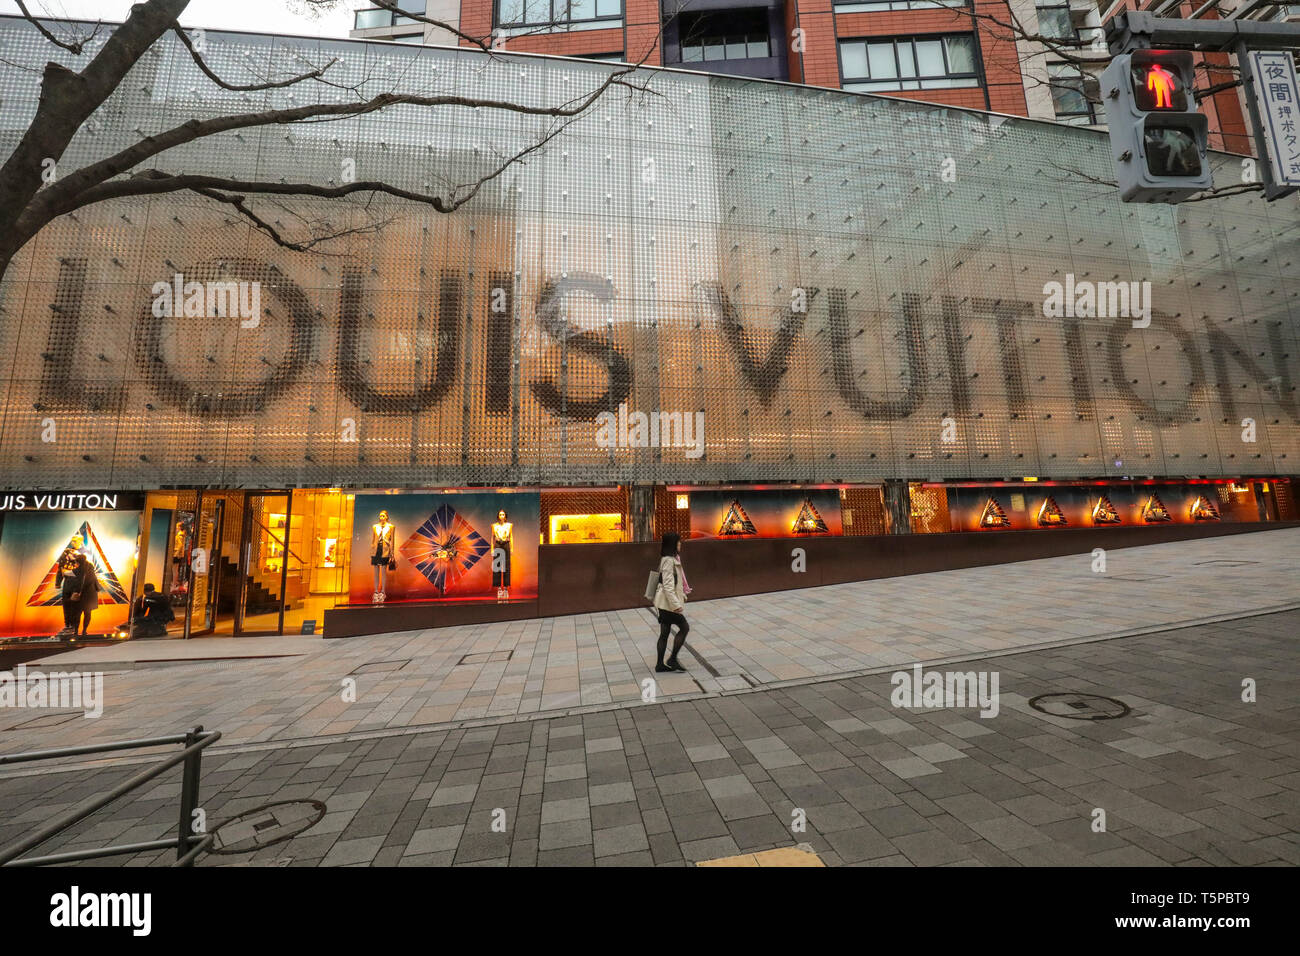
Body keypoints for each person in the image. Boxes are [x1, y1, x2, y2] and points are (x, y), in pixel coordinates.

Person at [652, 532, 691, 673]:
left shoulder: (669, 559)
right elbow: (668, 586)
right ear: (673, 544)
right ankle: (672, 659)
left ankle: (659, 665)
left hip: (663, 603)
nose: (680, 544)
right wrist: (676, 605)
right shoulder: (669, 560)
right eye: (679, 542)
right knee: (684, 627)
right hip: (667, 604)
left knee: (665, 632)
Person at [69, 551, 100, 636]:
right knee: (88, 613)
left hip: (79, 595)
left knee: (77, 614)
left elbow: (73, 584)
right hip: (91, 595)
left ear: (78, 561)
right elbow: (94, 581)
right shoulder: (91, 568)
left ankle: (75, 631)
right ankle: (84, 631)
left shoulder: (75, 571)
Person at [371, 510, 396, 603]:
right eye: (380, 516)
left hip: (385, 550)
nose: (381, 517)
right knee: (376, 572)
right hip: (376, 550)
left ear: (387, 517)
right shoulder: (375, 527)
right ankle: (376, 592)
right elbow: (373, 539)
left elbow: (392, 540)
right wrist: (372, 550)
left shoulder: (391, 527)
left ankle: (383, 592)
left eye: (383, 516)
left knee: (383, 572)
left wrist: (392, 553)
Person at [492, 509, 513, 602]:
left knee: (506, 566)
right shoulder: (494, 526)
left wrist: (512, 548)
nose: (501, 516)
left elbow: (511, 536)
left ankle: (505, 588)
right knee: (497, 566)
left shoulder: (509, 525)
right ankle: (499, 589)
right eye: (500, 514)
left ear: (505, 516)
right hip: (497, 544)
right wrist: (492, 548)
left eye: (503, 514)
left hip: (506, 544)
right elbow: (492, 537)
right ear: (498, 516)